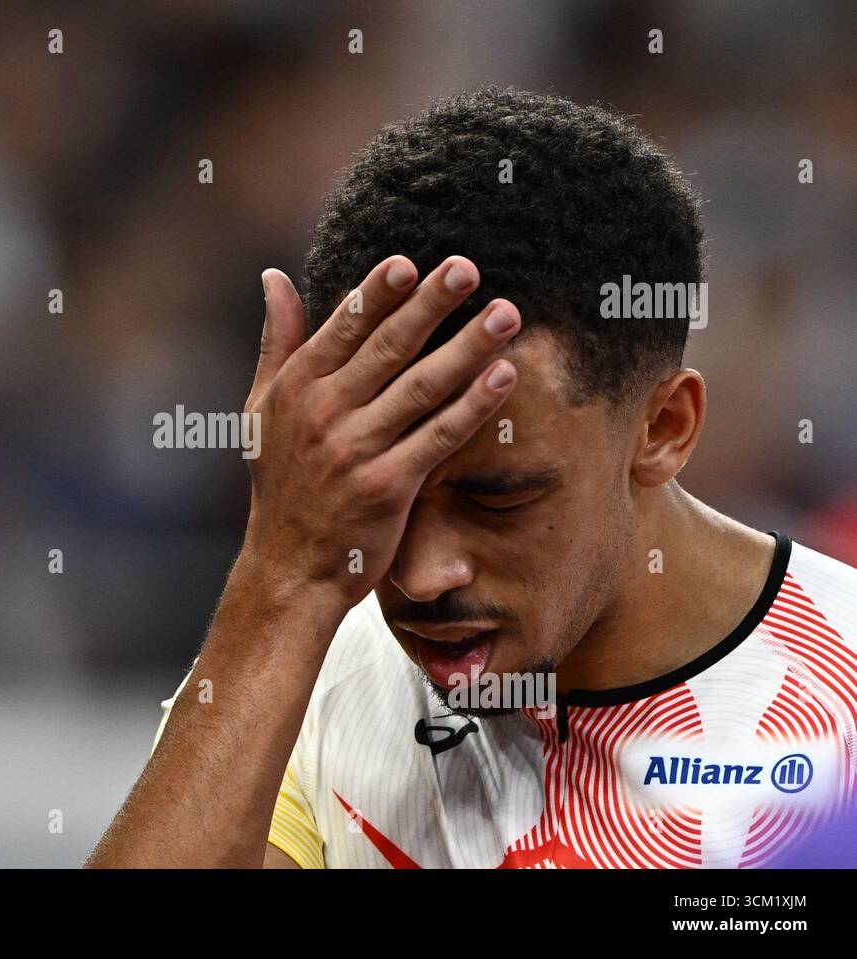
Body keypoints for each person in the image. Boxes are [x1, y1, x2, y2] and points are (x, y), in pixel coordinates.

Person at [86, 88, 857, 869]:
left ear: (663, 428)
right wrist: (280, 574)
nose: (423, 576)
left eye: (499, 497)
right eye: (378, 498)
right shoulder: (303, 679)